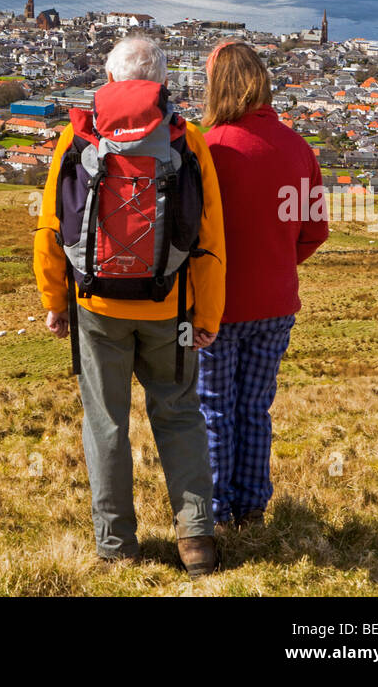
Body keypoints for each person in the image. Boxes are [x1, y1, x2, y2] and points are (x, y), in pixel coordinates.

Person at [33, 35, 226, 575]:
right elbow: (211, 239)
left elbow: (51, 228)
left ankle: (116, 547)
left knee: (105, 423)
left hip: (96, 308)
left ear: (111, 79)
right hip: (172, 308)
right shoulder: (189, 142)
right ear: (161, 82)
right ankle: (196, 543)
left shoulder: (78, 138)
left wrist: (55, 300)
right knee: (180, 415)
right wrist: (206, 316)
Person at [197, 41, 329, 531]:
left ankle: (213, 516)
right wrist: (276, 262)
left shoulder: (209, 149)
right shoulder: (296, 148)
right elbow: (314, 231)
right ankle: (251, 510)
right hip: (275, 305)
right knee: (254, 408)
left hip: (216, 308)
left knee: (214, 411)